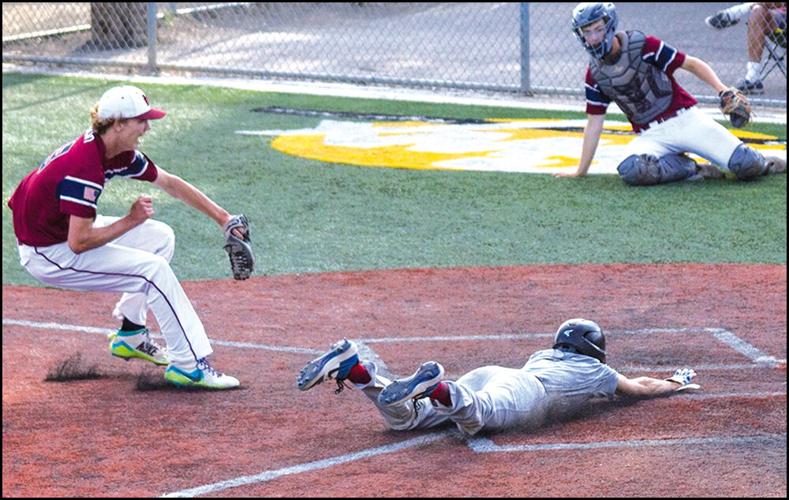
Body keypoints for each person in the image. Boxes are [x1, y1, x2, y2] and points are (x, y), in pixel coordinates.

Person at [8, 85, 241, 390]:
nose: (147, 127)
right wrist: (130, 220)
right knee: (153, 271)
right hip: (49, 252)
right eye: (140, 121)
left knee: (159, 237)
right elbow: (79, 243)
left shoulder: (115, 151)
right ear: (117, 124)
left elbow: (168, 182)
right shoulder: (84, 168)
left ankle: (131, 332)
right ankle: (189, 366)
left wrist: (223, 218)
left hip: (59, 229)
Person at [296, 319, 700, 435]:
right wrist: (675, 383)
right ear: (593, 348)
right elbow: (640, 388)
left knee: (408, 419)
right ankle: (437, 386)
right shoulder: (598, 370)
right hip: (527, 391)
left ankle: (359, 372)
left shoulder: (545, 353)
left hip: (495, 374)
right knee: (477, 418)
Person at [554, 2, 785, 186]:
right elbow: (594, 123)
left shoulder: (641, 45)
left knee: (746, 166)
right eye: (587, 32)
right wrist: (580, 171)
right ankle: (693, 169)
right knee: (632, 169)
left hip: (686, 120)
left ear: (610, 24)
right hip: (652, 135)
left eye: (598, 29)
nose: (593, 37)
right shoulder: (594, 74)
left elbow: (691, 64)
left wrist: (723, 90)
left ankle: (766, 162)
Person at [705, 2, 787, 95]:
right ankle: (752, 79)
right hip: (779, 25)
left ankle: (733, 13)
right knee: (758, 10)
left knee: (759, 6)